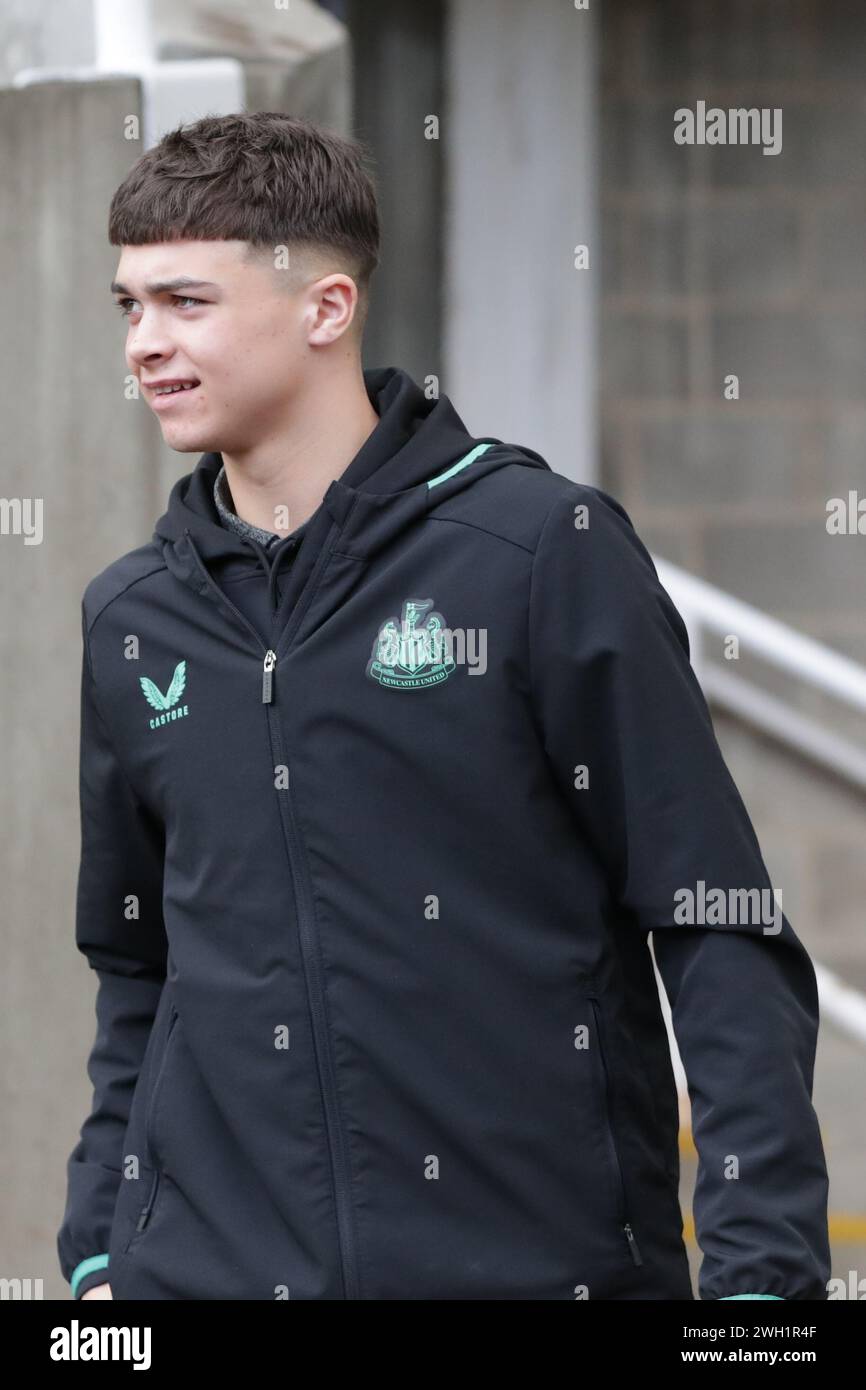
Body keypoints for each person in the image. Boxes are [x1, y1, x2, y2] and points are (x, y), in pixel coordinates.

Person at [57, 111, 830, 1301]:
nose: (144, 345)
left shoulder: (536, 554)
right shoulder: (133, 619)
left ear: (325, 308)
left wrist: (759, 1287)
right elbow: (139, 972)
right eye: (129, 307)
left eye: (185, 302)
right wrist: (101, 1255)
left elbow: (714, 920)